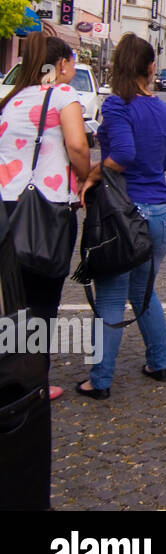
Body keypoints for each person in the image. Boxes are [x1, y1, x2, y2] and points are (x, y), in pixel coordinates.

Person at [76, 34, 166, 399]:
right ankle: (158, 363)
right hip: (160, 212)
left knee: (112, 299)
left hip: (124, 215)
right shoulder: (164, 110)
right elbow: (162, 162)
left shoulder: (117, 105)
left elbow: (124, 155)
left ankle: (100, 381)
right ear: (150, 68)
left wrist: (93, 175)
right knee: (145, 293)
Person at [0, 31, 91, 401]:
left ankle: (9, 378)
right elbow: (77, 144)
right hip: (46, 212)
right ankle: (32, 385)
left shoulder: (12, 99)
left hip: (6, 209)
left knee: (11, 301)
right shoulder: (63, 95)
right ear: (63, 64)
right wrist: (85, 176)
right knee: (42, 301)